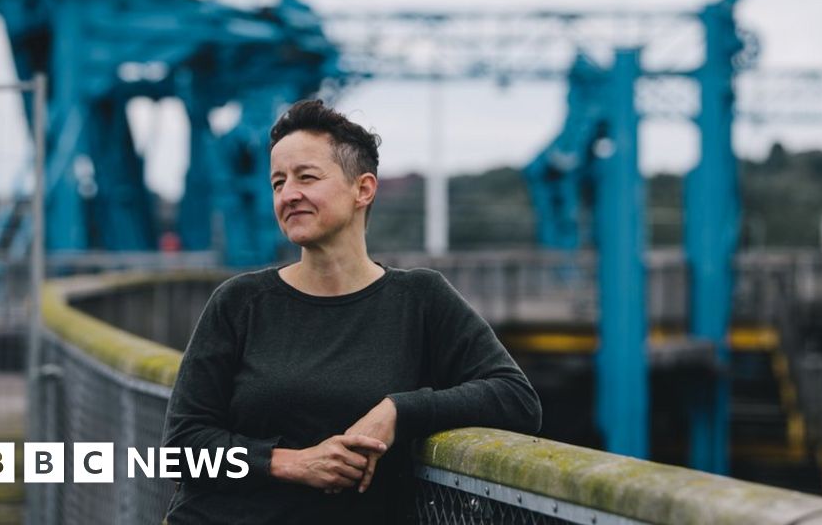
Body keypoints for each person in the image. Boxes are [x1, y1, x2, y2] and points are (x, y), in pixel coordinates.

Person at [161, 99, 542, 524]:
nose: (288, 194)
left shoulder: (420, 299)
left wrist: (398, 411)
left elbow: (516, 398)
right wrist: (290, 462)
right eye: (278, 182)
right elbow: (180, 451)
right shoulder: (240, 302)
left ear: (363, 189)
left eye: (306, 177)